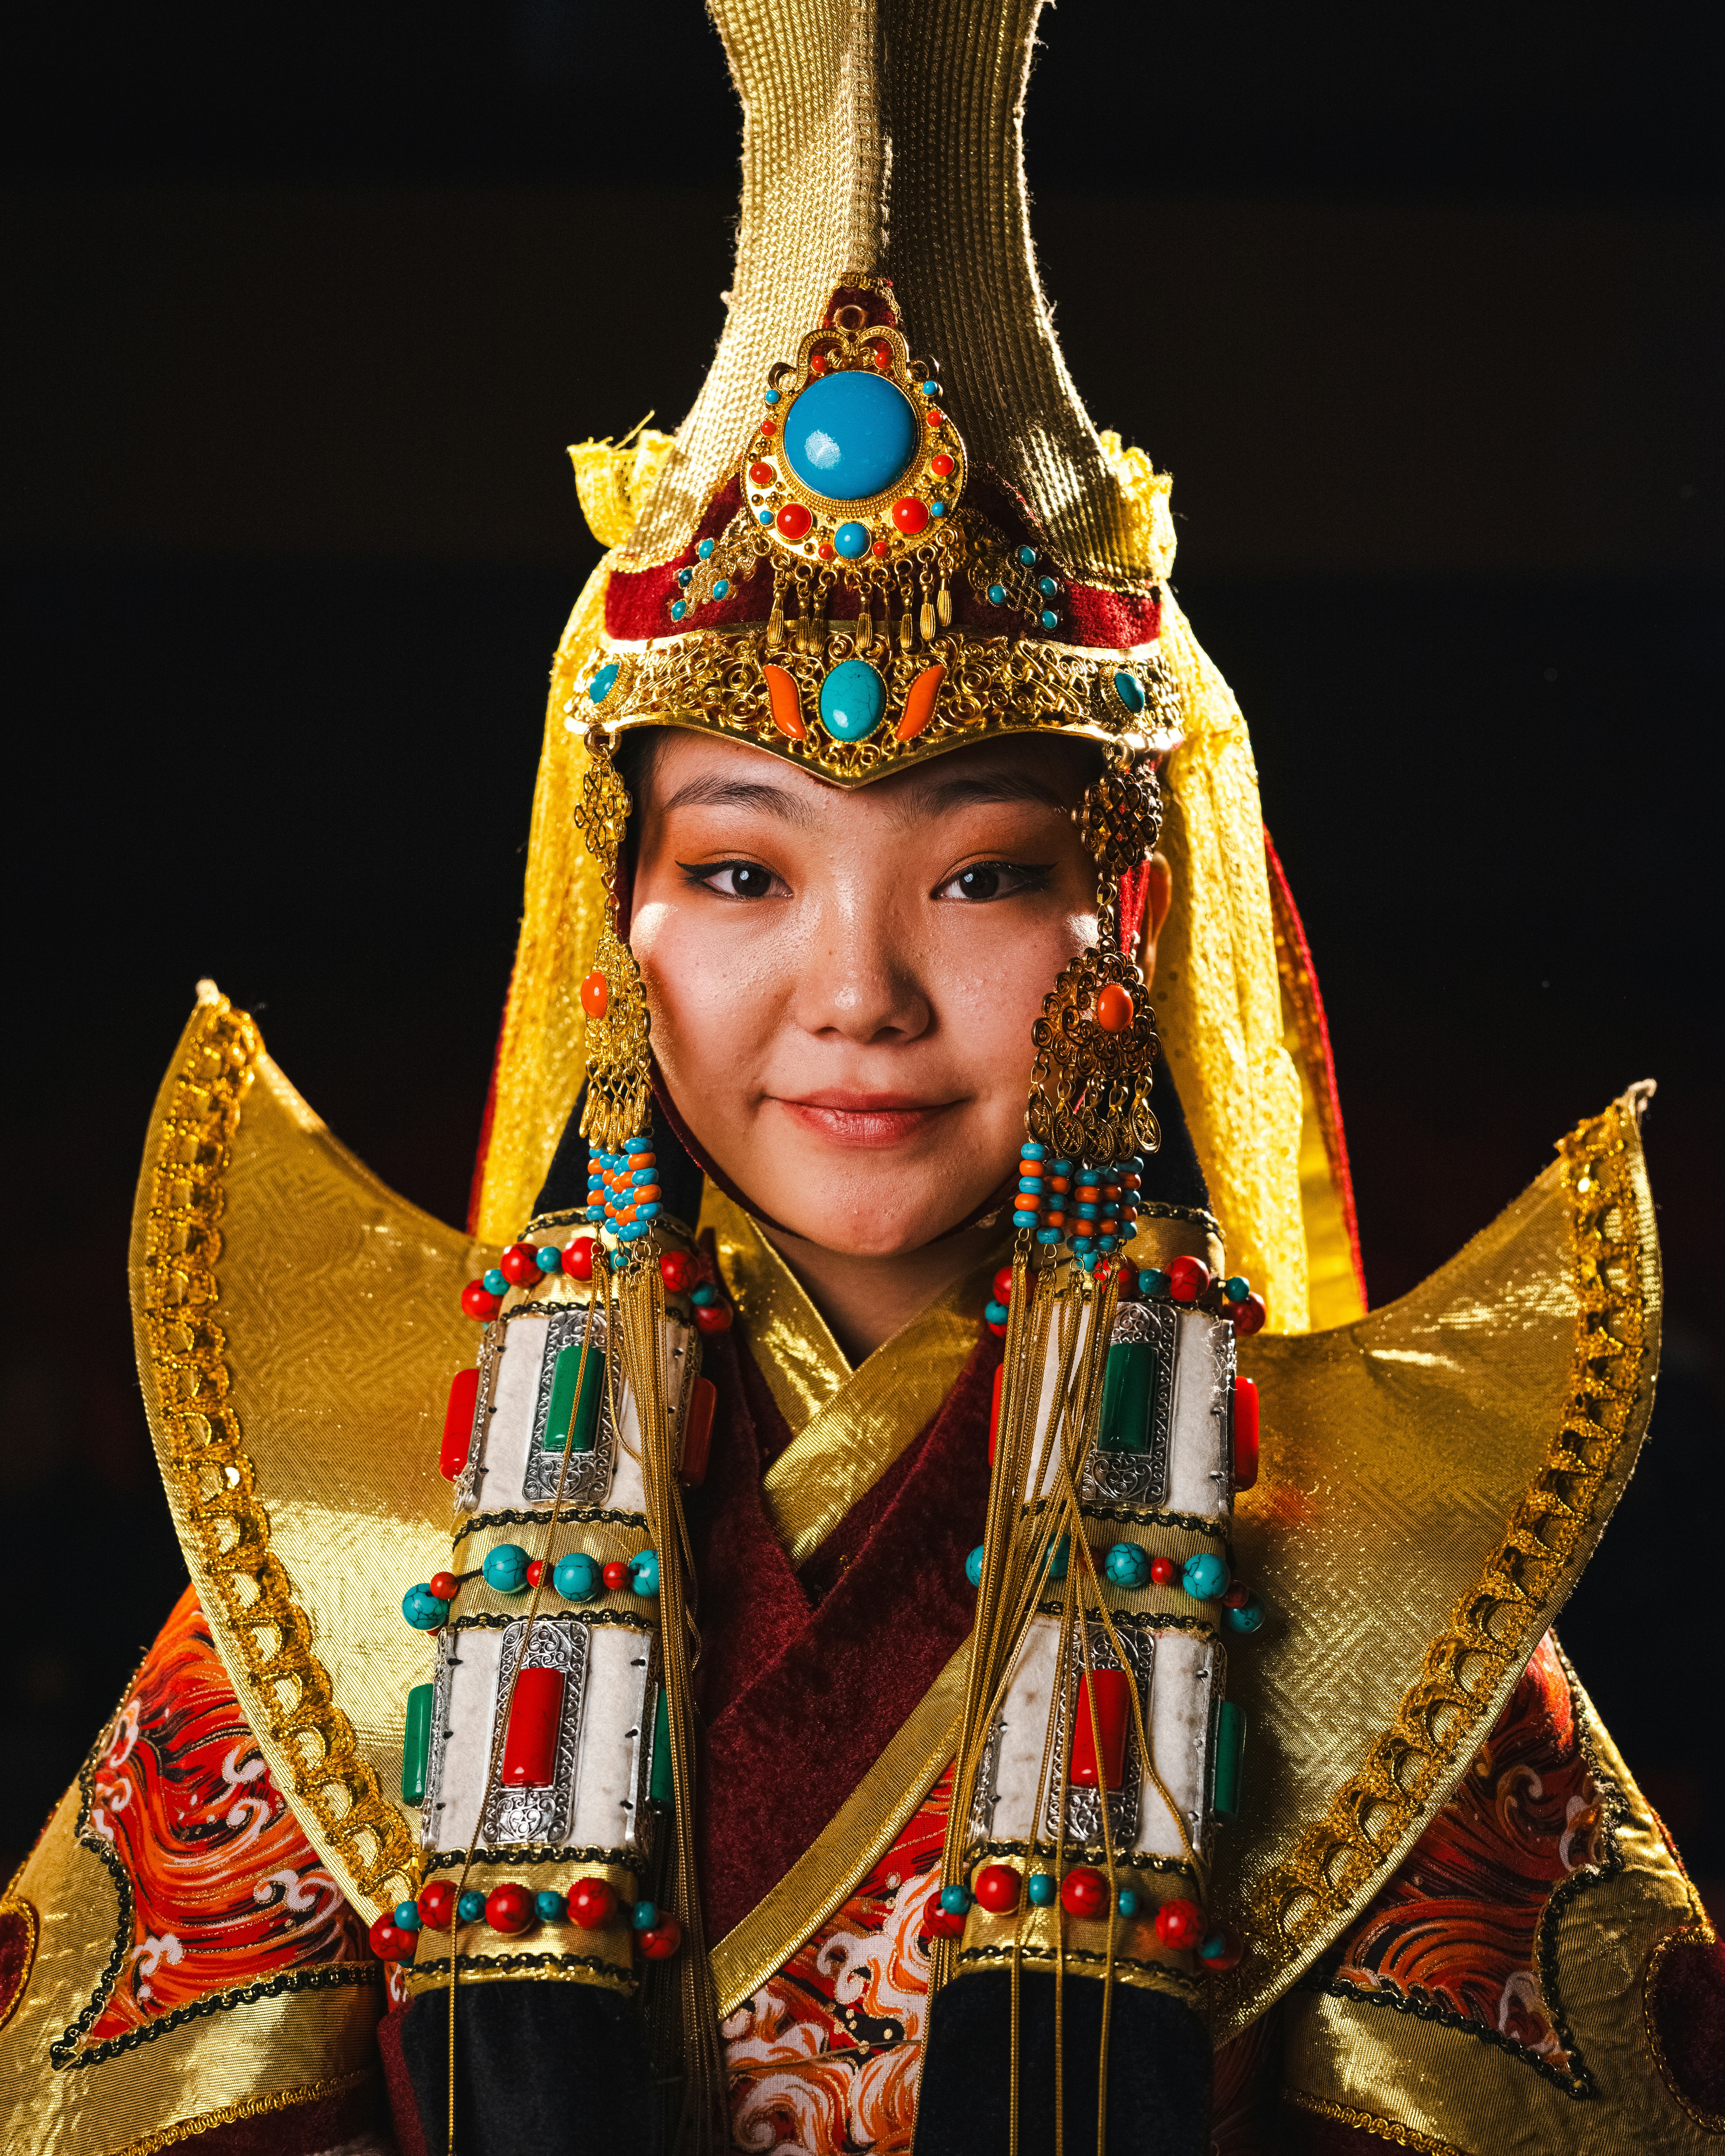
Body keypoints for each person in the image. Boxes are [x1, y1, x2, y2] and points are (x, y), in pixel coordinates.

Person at [2, 5, 1718, 2154]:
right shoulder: (370, 1531)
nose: (858, 994)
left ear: (1130, 929)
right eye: (741, 868)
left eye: (981, 874)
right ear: (614, 921)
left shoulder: (1355, 1561)